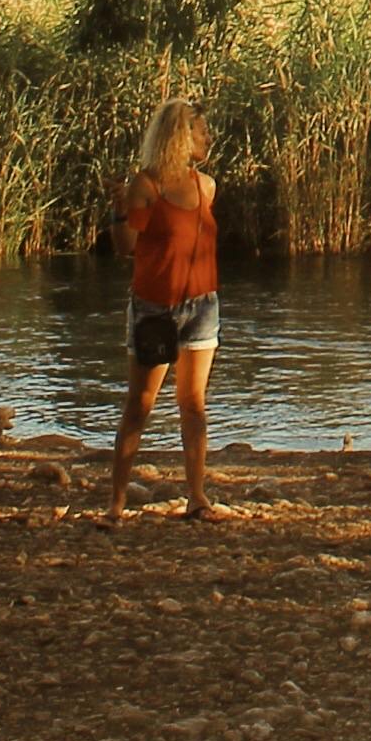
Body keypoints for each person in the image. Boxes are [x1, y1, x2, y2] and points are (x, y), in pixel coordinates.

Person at [113, 101, 222, 518]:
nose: (208, 138)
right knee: (140, 404)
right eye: (201, 131)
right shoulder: (146, 186)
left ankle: (197, 497)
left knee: (193, 403)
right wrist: (120, 209)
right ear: (180, 136)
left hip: (201, 308)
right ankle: (116, 503)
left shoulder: (206, 187)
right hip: (155, 308)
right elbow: (127, 248)